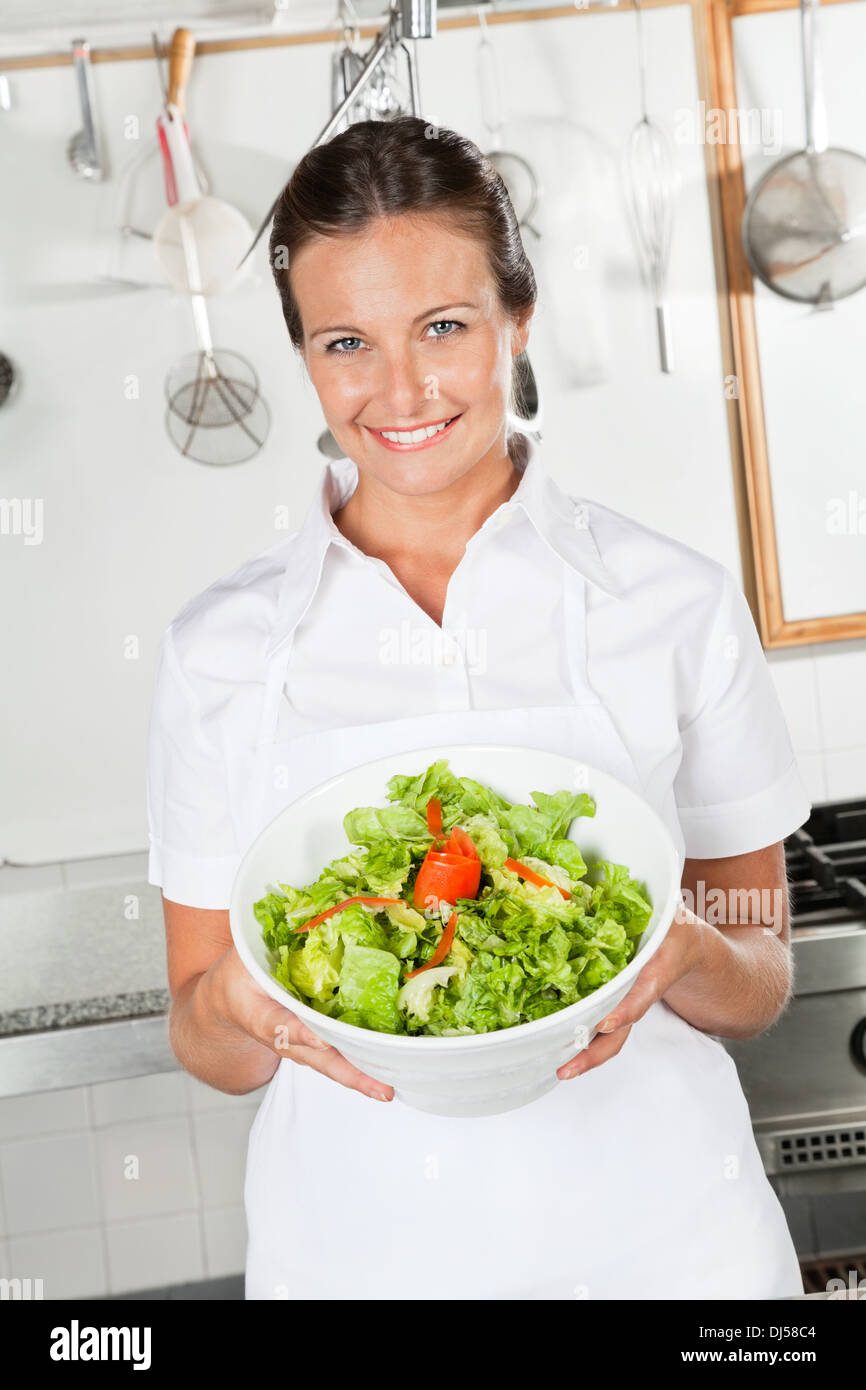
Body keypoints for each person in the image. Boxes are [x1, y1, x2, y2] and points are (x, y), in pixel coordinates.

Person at [146, 116, 811, 1300]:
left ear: (516, 319)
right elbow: (204, 1033)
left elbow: (758, 977)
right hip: (357, 1263)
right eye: (347, 341)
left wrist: (679, 950)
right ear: (304, 356)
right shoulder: (220, 650)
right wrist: (247, 1006)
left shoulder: (673, 603)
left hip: (673, 1257)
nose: (400, 390)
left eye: (443, 327)